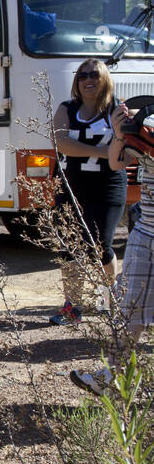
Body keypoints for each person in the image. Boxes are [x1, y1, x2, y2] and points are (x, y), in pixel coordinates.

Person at [69, 113, 154, 394]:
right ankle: (111, 379)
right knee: (129, 310)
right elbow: (118, 162)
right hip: (145, 232)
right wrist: (121, 132)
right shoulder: (149, 123)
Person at [50, 59, 127, 325]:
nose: (87, 80)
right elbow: (62, 144)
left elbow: (127, 148)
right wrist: (103, 152)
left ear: (105, 79)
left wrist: (111, 153)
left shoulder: (117, 110)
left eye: (94, 74)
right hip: (70, 186)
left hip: (108, 187)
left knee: (100, 243)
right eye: (82, 75)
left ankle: (107, 299)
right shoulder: (66, 109)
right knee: (69, 245)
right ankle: (72, 307)